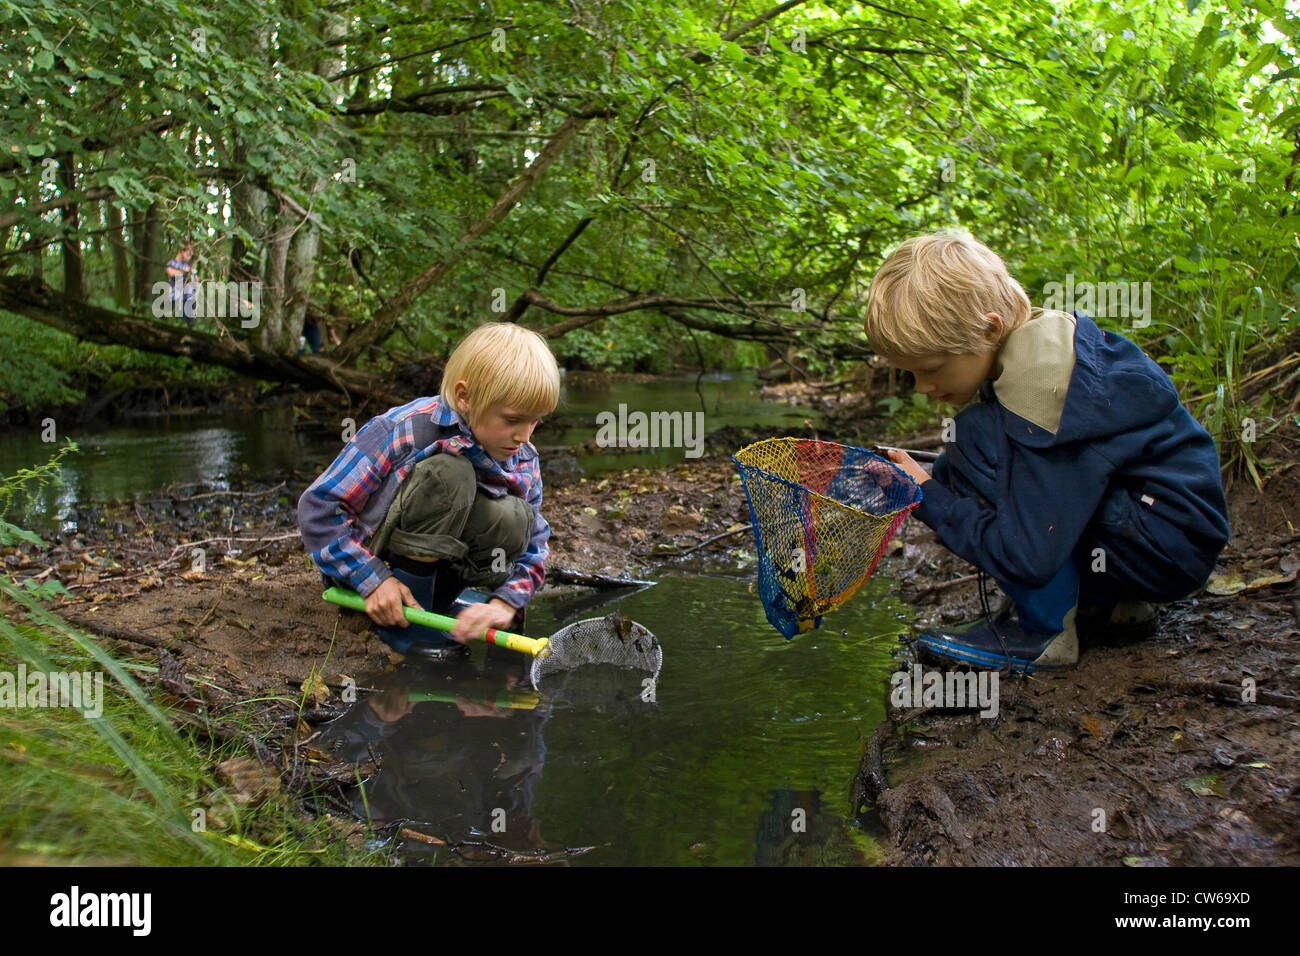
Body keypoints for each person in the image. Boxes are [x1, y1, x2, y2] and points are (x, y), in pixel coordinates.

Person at [863, 233, 1229, 672]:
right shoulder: (1043, 343)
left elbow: (1025, 555)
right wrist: (932, 480)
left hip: (1168, 548)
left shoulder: (1042, 393)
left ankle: (1043, 631)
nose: (923, 389)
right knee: (965, 453)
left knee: (970, 439)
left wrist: (929, 499)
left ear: (990, 328)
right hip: (1169, 530)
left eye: (931, 370)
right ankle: (1113, 607)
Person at [298, 323, 560, 657]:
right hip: (370, 570)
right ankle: (406, 630)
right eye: (512, 420)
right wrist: (373, 579)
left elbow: (534, 548)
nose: (524, 435)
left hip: (444, 572)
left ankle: (438, 604)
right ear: (465, 397)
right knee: (449, 474)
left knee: (514, 516)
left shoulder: (523, 456)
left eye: (535, 421)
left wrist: (505, 601)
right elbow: (319, 507)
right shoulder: (404, 429)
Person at [165, 242, 198, 327]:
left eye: (190, 255)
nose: (189, 257)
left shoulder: (187, 266)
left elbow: (195, 282)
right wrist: (183, 271)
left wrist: (193, 276)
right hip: (176, 297)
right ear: (181, 251)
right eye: (188, 254)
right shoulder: (172, 263)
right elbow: (170, 272)